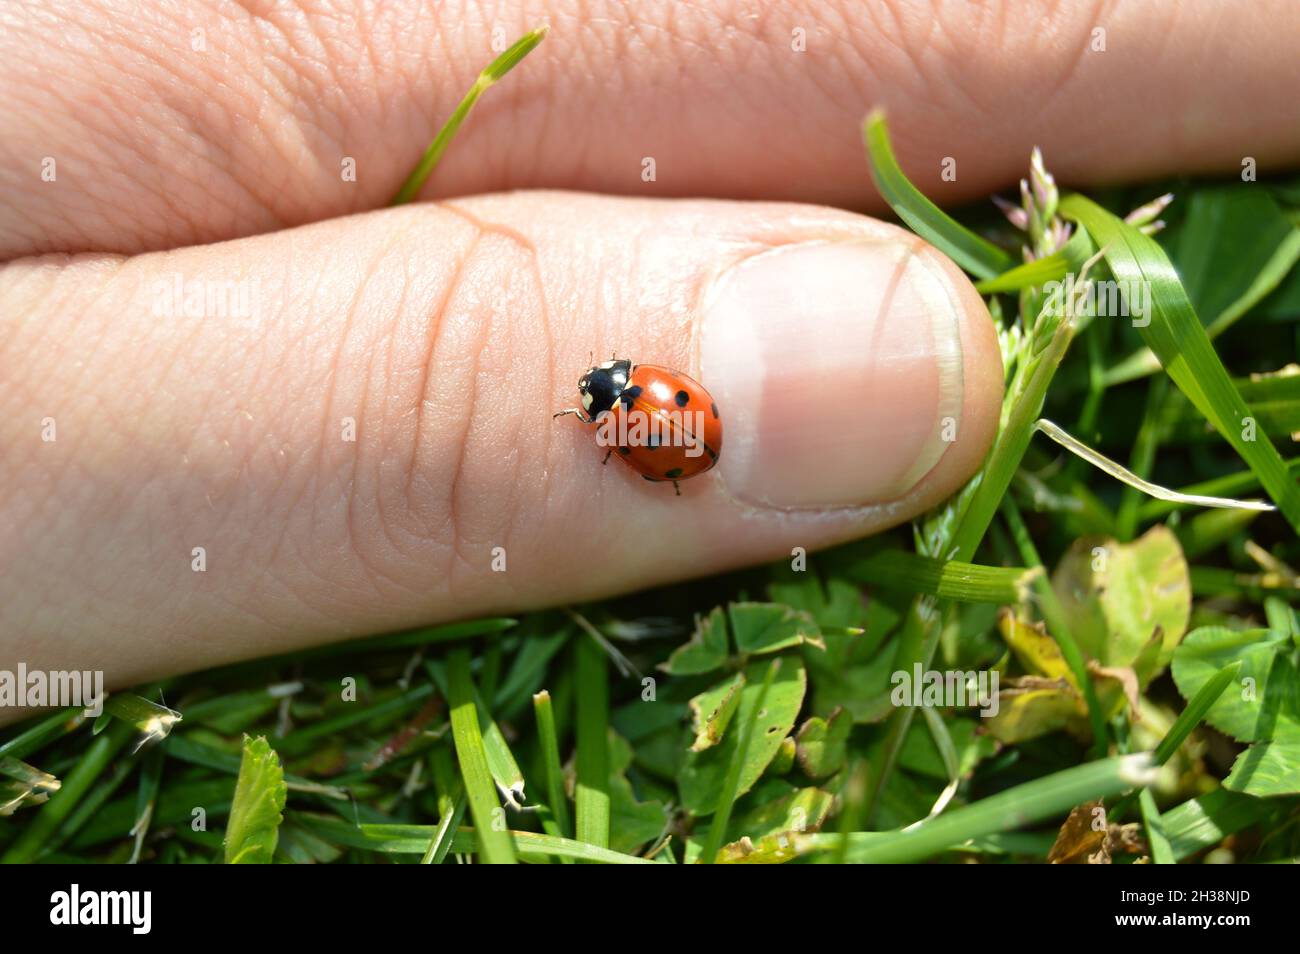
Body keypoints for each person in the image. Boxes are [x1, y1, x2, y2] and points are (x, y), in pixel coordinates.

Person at [1, 1, 1296, 714]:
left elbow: (626, 404)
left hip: (696, 443)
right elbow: (623, 407)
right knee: (455, 408)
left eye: (604, 392)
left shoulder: (635, 406)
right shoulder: (640, 409)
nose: (605, 395)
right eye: (608, 394)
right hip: (695, 442)